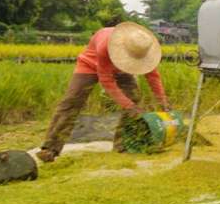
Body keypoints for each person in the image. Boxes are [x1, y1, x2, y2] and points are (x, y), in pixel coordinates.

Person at [37, 22, 172, 162]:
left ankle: (122, 145)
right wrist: (128, 106)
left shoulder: (143, 49)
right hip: (90, 65)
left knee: (134, 97)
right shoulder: (105, 45)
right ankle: (50, 148)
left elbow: (153, 77)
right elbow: (106, 80)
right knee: (71, 102)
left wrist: (163, 101)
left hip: (122, 70)